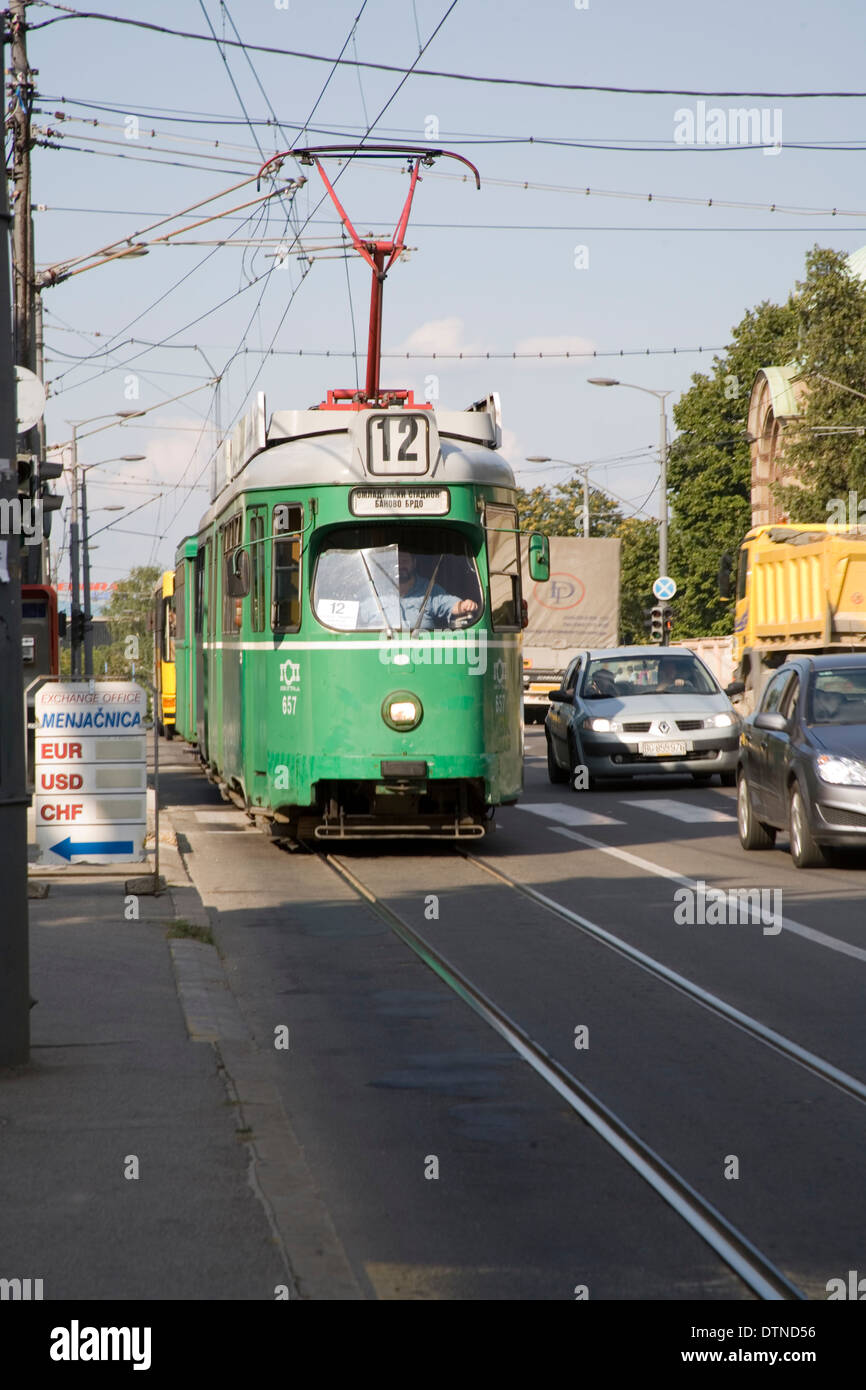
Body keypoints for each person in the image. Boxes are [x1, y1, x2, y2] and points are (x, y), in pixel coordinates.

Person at [361, 550, 479, 631]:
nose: (400, 565)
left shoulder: (429, 590)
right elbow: (353, 616)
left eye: (405, 561)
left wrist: (463, 605)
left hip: (422, 651)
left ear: (414, 563)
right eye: (397, 562)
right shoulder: (374, 590)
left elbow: (448, 603)